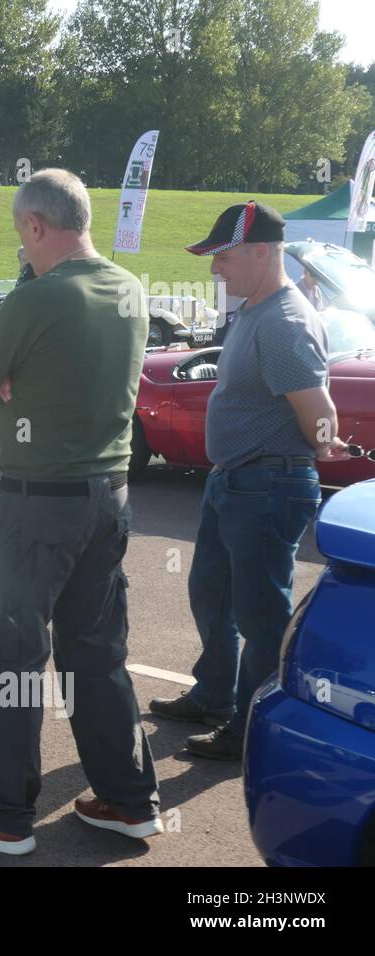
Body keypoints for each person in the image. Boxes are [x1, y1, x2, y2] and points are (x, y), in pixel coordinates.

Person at [0, 168, 161, 856]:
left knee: (7, 657)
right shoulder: (129, 288)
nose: (21, 249)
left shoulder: (36, 299)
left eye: (20, 235)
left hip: (39, 506)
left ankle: (2, 816)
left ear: (35, 225)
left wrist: (6, 378)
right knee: (97, 654)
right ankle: (128, 800)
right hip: (110, 496)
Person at [150, 201, 344, 761]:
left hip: (265, 487)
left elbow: (318, 408)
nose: (214, 270)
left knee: (261, 616)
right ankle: (215, 695)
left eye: (223, 257)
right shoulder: (257, 310)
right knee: (211, 595)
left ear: (260, 252)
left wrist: (322, 439)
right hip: (236, 482)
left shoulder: (284, 320)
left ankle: (252, 728)